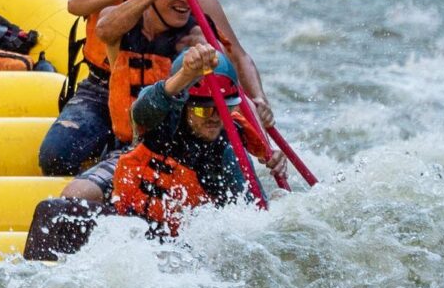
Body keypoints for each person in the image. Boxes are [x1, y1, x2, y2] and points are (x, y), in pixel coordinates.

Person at [39, 0, 273, 176]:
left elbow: (236, 55)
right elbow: (76, 3)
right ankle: (109, 154)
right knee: (56, 157)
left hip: (164, 92)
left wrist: (259, 100)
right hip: (104, 87)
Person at [24, 44, 282, 260]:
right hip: (127, 225)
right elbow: (144, 108)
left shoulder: (227, 152)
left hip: (175, 247)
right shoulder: (164, 119)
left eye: (223, 109)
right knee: (52, 212)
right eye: (203, 109)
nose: (215, 118)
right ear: (184, 105)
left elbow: (254, 219)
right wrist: (186, 75)